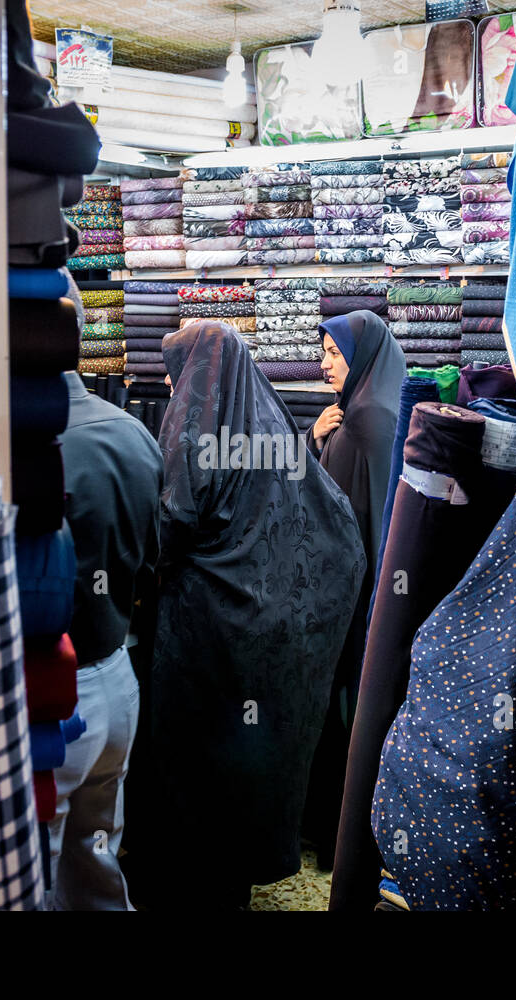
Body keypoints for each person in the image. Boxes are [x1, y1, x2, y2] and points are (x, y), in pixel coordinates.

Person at [143, 320, 365, 909]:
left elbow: (171, 523)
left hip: (208, 645)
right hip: (263, 643)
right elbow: (339, 527)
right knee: (239, 778)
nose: (171, 392)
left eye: (174, 380)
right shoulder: (268, 430)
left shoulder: (195, 435)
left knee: (196, 783)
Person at [48, 368, 163, 910]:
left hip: (52, 690)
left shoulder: (19, 443)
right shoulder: (132, 433)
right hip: (116, 674)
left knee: (39, 867)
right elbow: (149, 558)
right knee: (96, 856)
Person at [300, 310, 405, 870]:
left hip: (350, 603)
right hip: (368, 598)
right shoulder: (371, 414)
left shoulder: (364, 423)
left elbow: (328, 521)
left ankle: (338, 835)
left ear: (361, 357)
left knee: (341, 721)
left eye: (334, 354)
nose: (323, 366)